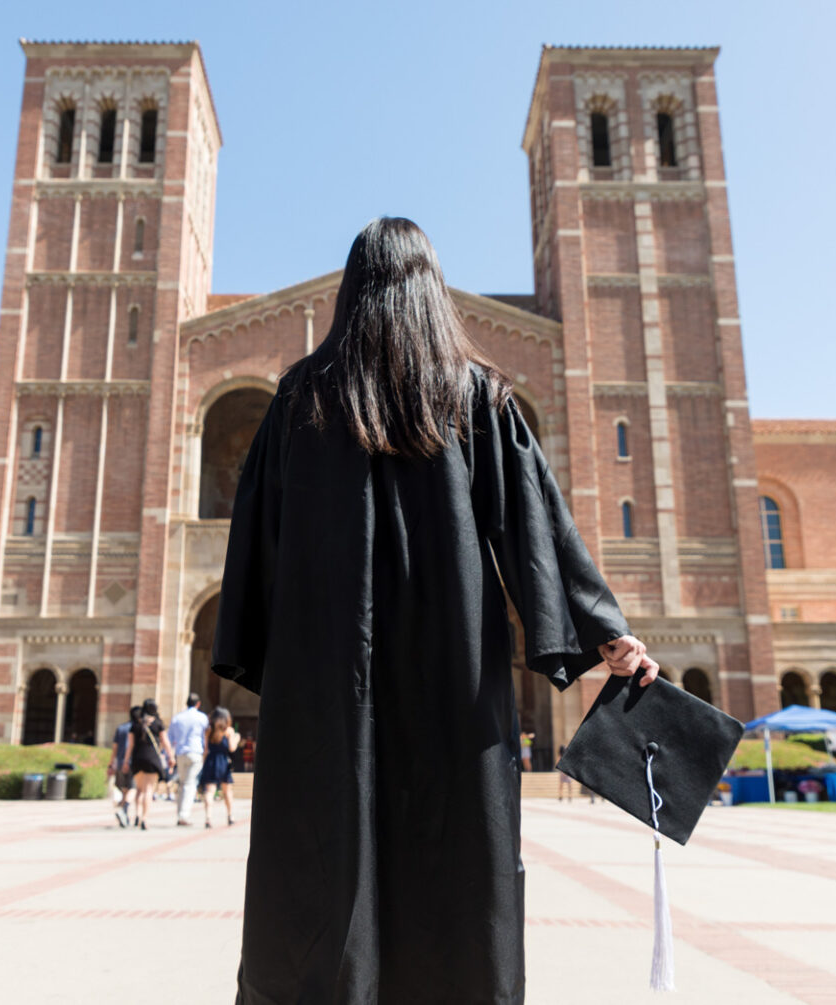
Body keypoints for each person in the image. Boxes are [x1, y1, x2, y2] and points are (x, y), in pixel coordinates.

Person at [210, 217, 658, 1003]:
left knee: (320, 855)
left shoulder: (298, 400)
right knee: (457, 853)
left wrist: (262, 646)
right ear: (431, 291)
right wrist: (602, 628)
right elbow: (534, 526)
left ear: (350, 292)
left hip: (323, 683)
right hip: (453, 676)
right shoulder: (476, 396)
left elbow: (259, 545)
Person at [121, 698, 173, 831]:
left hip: (137, 758)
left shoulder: (136, 724)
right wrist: (171, 757)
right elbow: (165, 742)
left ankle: (137, 815)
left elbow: (130, 745)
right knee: (148, 790)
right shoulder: (157, 723)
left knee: (139, 789)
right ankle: (144, 818)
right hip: (152, 758)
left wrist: (126, 761)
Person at [168, 692, 209, 826]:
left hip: (180, 753)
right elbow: (205, 737)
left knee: (182, 783)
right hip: (195, 752)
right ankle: (183, 816)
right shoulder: (202, 717)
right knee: (190, 784)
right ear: (198, 704)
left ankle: (180, 813)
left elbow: (170, 738)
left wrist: (168, 755)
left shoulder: (177, 718)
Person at [199, 706, 241, 828]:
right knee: (227, 791)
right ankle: (230, 816)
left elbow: (205, 750)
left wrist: (203, 764)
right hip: (223, 762)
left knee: (210, 791)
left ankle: (208, 818)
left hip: (211, 762)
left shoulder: (208, 730)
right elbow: (232, 748)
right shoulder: (229, 731)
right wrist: (237, 738)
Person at [107, 706, 141, 827]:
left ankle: (124, 816)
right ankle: (124, 810)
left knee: (124, 790)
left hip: (120, 762)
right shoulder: (138, 729)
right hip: (133, 762)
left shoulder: (121, 728)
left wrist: (111, 764)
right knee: (133, 788)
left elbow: (115, 748)